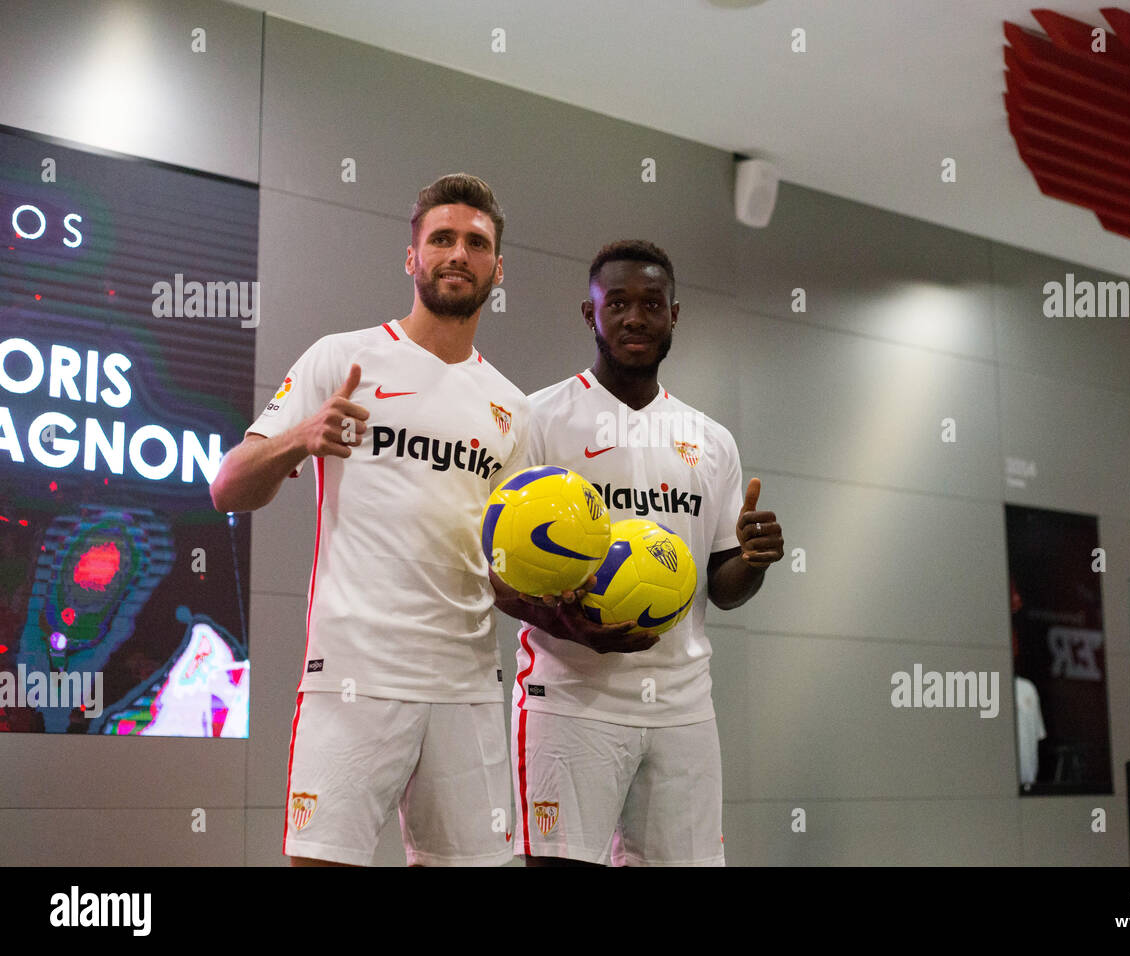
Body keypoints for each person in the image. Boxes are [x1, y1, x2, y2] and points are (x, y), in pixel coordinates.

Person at [210, 174, 529, 866]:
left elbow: (510, 564)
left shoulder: (513, 409)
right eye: (440, 238)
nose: (457, 253)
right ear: (411, 257)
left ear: (497, 269)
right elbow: (228, 487)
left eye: (476, 243)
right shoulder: (341, 358)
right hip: (354, 676)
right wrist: (301, 437)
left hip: (468, 688)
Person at [492, 239, 784, 866]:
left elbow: (723, 586)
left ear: (674, 316)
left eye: (652, 304)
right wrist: (567, 624)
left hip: (685, 709)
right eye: (617, 302)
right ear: (588, 313)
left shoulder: (712, 441)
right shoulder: (537, 419)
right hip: (571, 700)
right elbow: (491, 569)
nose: (634, 317)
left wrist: (753, 562)